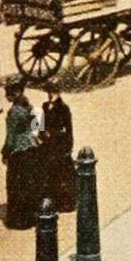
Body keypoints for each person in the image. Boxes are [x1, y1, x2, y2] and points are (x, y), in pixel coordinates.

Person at [2, 80, 41, 230]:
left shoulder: (14, 112)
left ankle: (19, 219)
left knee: (16, 185)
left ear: (14, 94)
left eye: (8, 93)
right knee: (29, 182)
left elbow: (10, 137)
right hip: (31, 148)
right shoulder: (29, 107)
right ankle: (31, 215)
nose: (6, 96)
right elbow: (36, 126)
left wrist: (5, 152)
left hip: (18, 151)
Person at [41, 81, 76, 212]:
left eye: (53, 92)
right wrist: (42, 132)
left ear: (58, 93)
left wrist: (68, 145)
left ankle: (64, 202)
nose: (50, 95)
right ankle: (52, 200)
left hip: (59, 144)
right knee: (49, 172)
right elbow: (38, 124)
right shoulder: (44, 106)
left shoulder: (64, 108)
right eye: (49, 92)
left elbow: (68, 129)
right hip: (47, 145)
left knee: (62, 174)